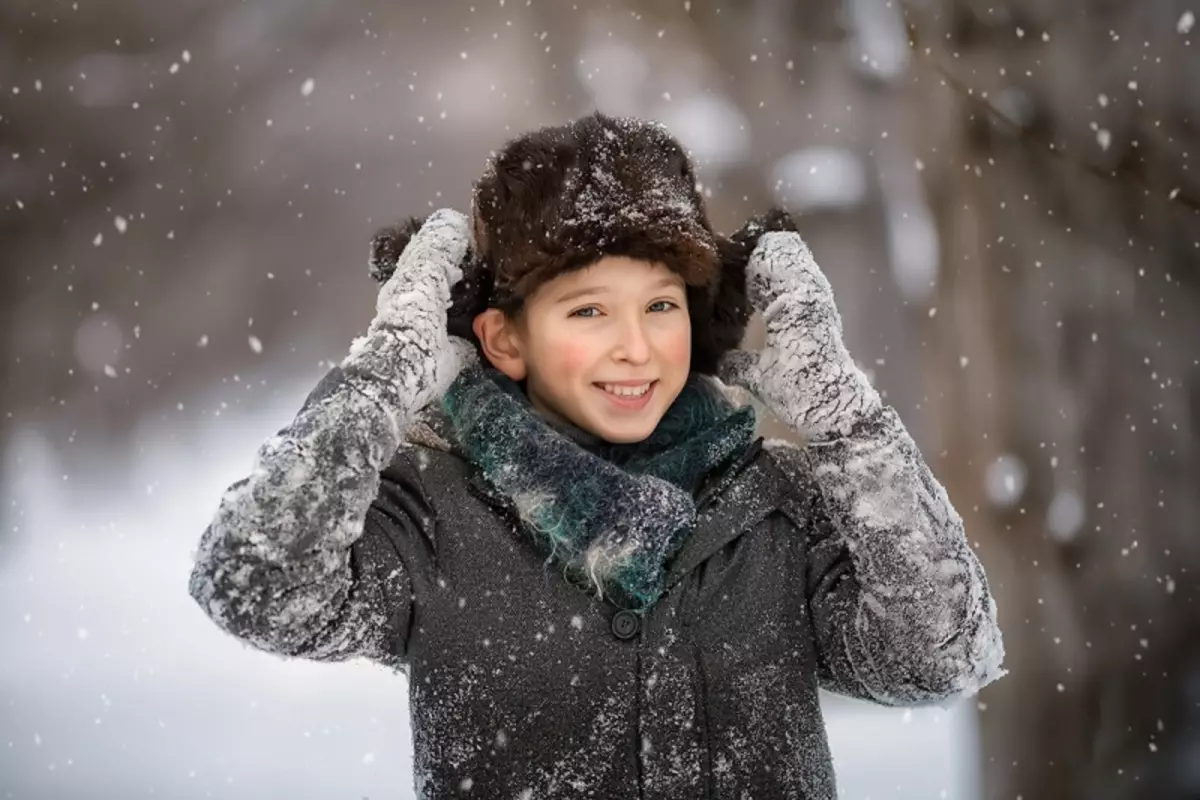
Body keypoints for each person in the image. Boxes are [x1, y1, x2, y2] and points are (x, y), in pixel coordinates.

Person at [188, 111, 1006, 798]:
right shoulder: (429, 509)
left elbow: (940, 655)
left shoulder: (778, 499)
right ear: (505, 339)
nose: (636, 347)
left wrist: (848, 423)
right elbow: (255, 586)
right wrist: (374, 383)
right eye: (587, 312)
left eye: (660, 305)